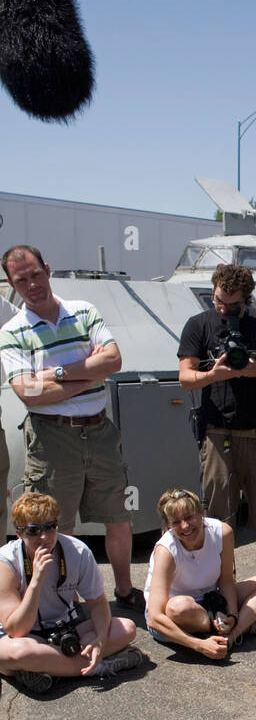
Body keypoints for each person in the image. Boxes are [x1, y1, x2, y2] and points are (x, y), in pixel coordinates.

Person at [0, 245, 144, 610]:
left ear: (47, 269)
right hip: (52, 438)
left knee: (118, 518)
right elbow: (28, 394)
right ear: (12, 284)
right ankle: (65, 599)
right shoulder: (12, 332)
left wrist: (59, 375)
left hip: (99, 431)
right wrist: (89, 375)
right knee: (57, 526)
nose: (31, 284)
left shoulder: (84, 311)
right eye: (21, 280)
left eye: (35, 274)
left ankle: (125, 591)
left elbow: (113, 359)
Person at [177, 264, 256, 580]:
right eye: (218, 300)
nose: (223, 309)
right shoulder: (198, 325)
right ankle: (222, 581)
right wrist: (212, 374)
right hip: (218, 435)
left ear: (247, 299)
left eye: (232, 305)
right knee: (218, 519)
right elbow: (186, 378)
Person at [0, 492, 142, 694]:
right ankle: (99, 666)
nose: (44, 537)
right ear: (19, 533)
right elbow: (16, 630)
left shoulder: (77, 551)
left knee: (126, 628)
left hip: (65, 630)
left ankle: (47, 668)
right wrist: (36, 582)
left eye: (50, 527)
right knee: (17, 654)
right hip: (23, 636)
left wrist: (100, 639)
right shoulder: (6, 562)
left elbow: (98, 603)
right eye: (34, 531)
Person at [144, 488, 256, 661]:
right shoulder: (166, 551)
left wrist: (232, 614)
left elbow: (226, 580)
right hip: (175, 615)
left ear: (201, 514)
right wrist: (199, 646)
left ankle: (231, 636)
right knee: (178, 607)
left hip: (213, 601)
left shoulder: (222, 532)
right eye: (176, 522)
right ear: (168, 525)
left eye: (189, 517)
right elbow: (154, 618)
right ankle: (224, 630)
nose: (185, 526)